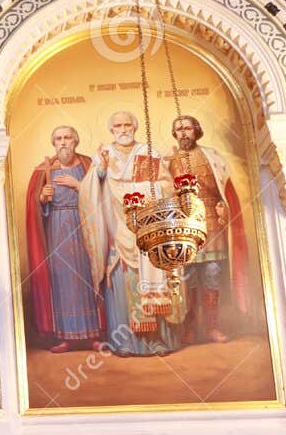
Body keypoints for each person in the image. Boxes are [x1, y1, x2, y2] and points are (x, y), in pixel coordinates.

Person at [80, 111, 178, 356]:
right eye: (118, 126)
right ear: (111, 130)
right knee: (123, 286)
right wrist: (101, 171)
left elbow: (167, 185)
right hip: (117, 230)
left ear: (134, 127)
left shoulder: (148, 152)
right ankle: (124, 342)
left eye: (127, 125)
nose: (123, 129)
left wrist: (143, 188)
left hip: (147, 228)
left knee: (152, 280)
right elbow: (89, 190)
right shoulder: (104, 154)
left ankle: (156, 341)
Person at [166, 116, 249, 344]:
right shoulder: (169, 161)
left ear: (197, 131)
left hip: (212, 222)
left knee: (212, 274)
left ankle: (212, 327)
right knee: (188, 278)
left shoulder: (212, 156)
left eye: (187, 128)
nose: (183, 133)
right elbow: (164, 192)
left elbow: (225, 190)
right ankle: (191, 327)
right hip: (184, 226)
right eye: (178, 129)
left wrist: (225, 207)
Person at [24, 125, 102, 352]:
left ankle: (93, 335)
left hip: (84, 224)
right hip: (57, 228)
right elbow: (34, 207)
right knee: (62, 279)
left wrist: (79, 186)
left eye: (68, 137)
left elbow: (102, 195)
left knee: (88, 276)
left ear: (75, 141)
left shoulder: (88, 165)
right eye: (58, 138)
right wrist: (42, 198)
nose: (63, 142)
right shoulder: (43, 170)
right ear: (54, 143)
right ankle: (66, 337)